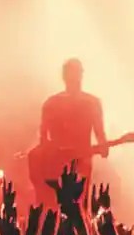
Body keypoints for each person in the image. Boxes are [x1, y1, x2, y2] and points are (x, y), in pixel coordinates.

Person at [34, 58, 108, 207]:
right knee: (75, 206)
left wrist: (102, 146)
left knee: (67, 206)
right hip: (62, 164)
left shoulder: (53, 103)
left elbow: (42, 139)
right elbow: (43, 139)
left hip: (76, 163)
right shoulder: (88, 103)